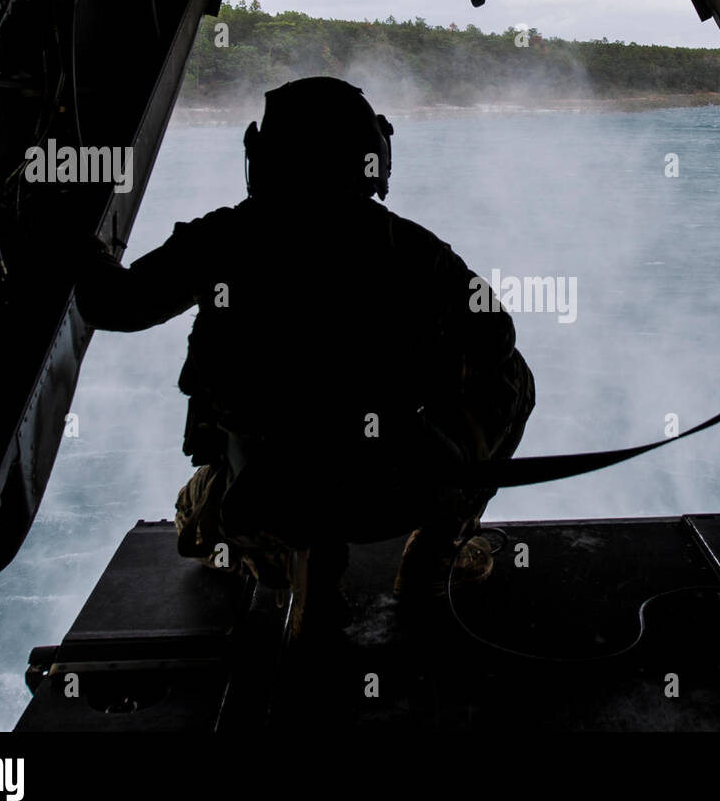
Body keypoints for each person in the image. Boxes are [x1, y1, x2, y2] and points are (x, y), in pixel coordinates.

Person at [74, 77, 534, 634]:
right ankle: (432, 558)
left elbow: (115, 305)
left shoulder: (224, 238)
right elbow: (496, 339)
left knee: (204, 515)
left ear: (264, 156)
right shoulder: (416, 250)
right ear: (372, 159)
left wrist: (82, 244)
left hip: (262, 502)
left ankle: (278, 557)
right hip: (386, 495)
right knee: (512, 376)